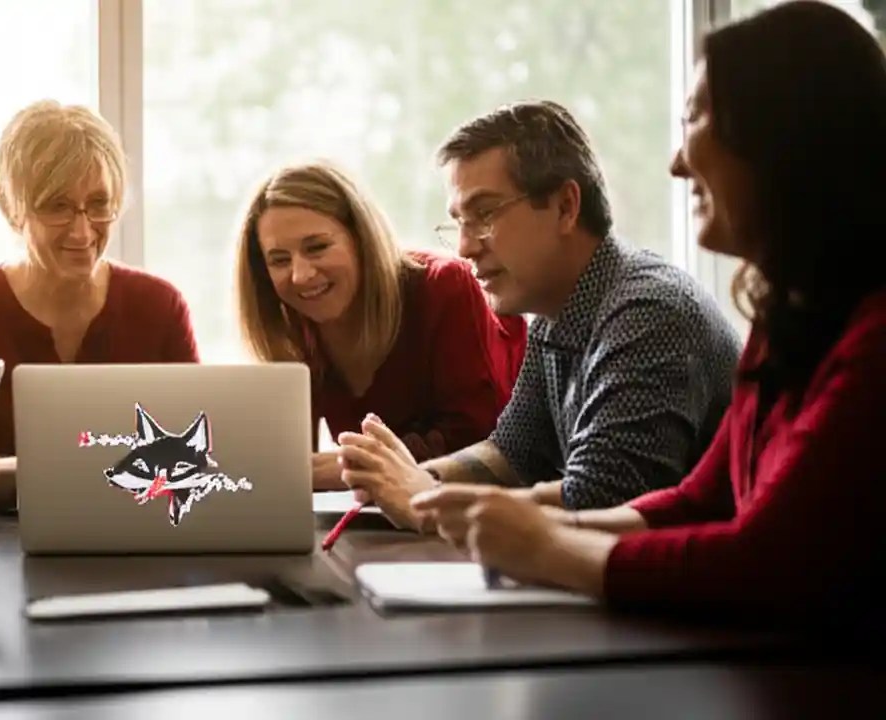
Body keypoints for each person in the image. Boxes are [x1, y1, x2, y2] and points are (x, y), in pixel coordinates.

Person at [412, 0, 886, 625]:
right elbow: (703, 498)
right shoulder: (784, 319)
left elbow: (765, 561)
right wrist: (534, 522)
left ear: (788, 138)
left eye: (699, 118)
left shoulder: (869, 339)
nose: (677, 161)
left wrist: (546, 543)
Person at [338, 100, 741, 528]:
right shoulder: (555, 309)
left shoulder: (649, 312)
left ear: (566, 207)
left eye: (485, 214)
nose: (465, 247)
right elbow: (512, 452)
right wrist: (415, 477)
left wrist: (426, 500)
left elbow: (600, 506)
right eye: (459, 221)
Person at [0, 100, 198, 514]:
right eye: (57, 206)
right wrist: (76, 468)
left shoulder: (159, 306)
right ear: (13, 211)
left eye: (99, 204)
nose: (83, 230)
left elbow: (192, 457)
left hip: (134, 533)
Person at [233, 160, 526, 490]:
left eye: (317, 247)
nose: (300, 275)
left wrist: (349, 466)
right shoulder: (295, 323)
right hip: (385, 519)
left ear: (362, 239)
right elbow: (293, 465)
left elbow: (488, 447)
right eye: (279, 260)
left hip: (487, 510)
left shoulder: (444, 287)